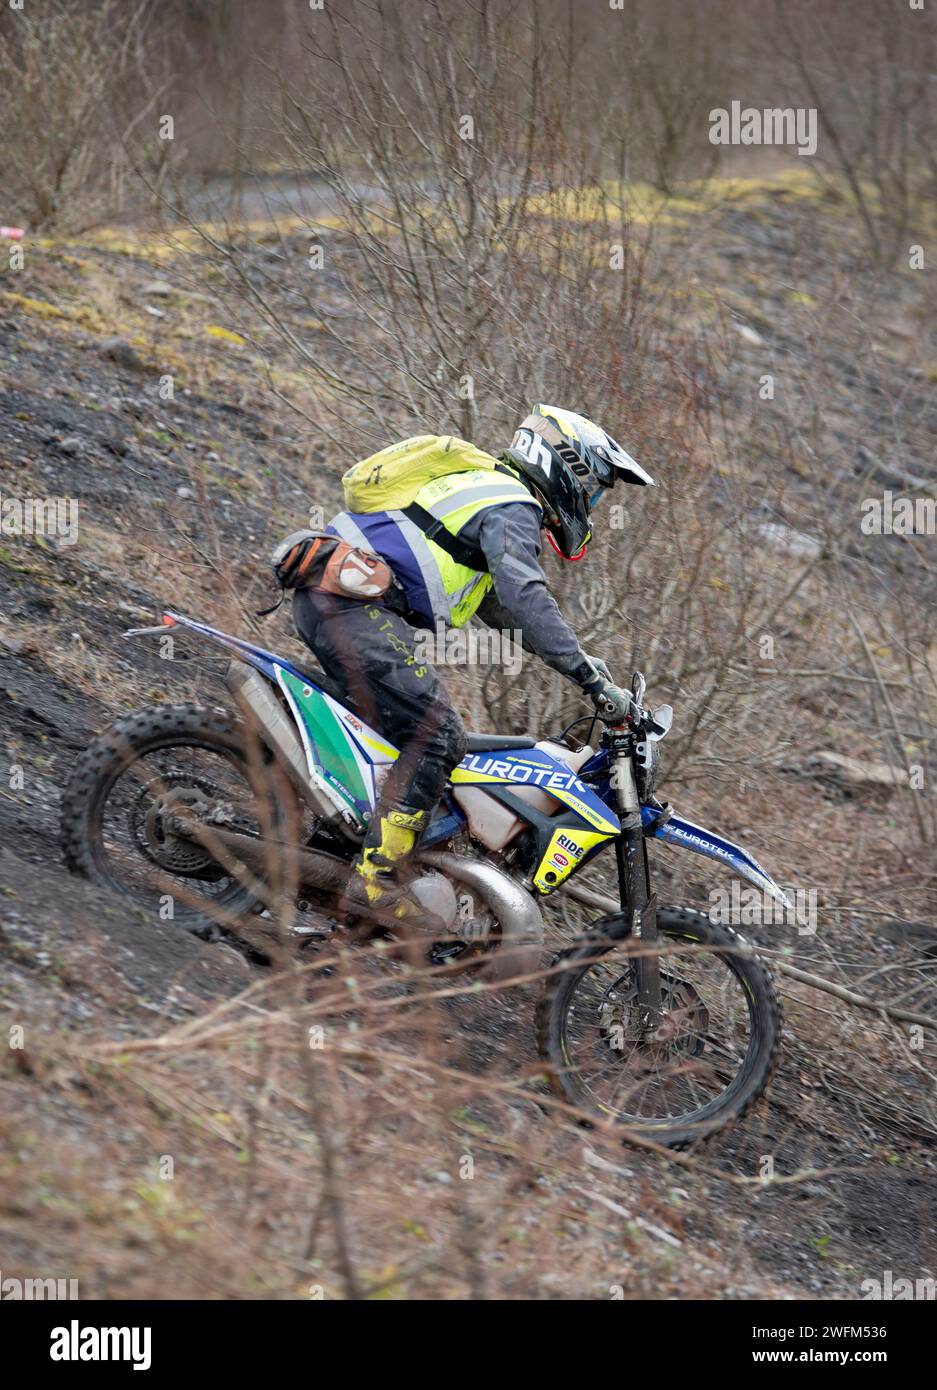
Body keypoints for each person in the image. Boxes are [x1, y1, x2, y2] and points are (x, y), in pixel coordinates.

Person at [276, 404, 655, 926]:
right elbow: (525, 596)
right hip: (349, 610)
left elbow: (501, 607)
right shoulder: (512, 504)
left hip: (341, 605)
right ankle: (375, 878)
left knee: (410, 735)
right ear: (566, 467)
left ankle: (330, 854)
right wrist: (588, 680)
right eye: (594, 489)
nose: (591, 503)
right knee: (436, 735)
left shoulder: (488, 492)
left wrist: (582, 662)